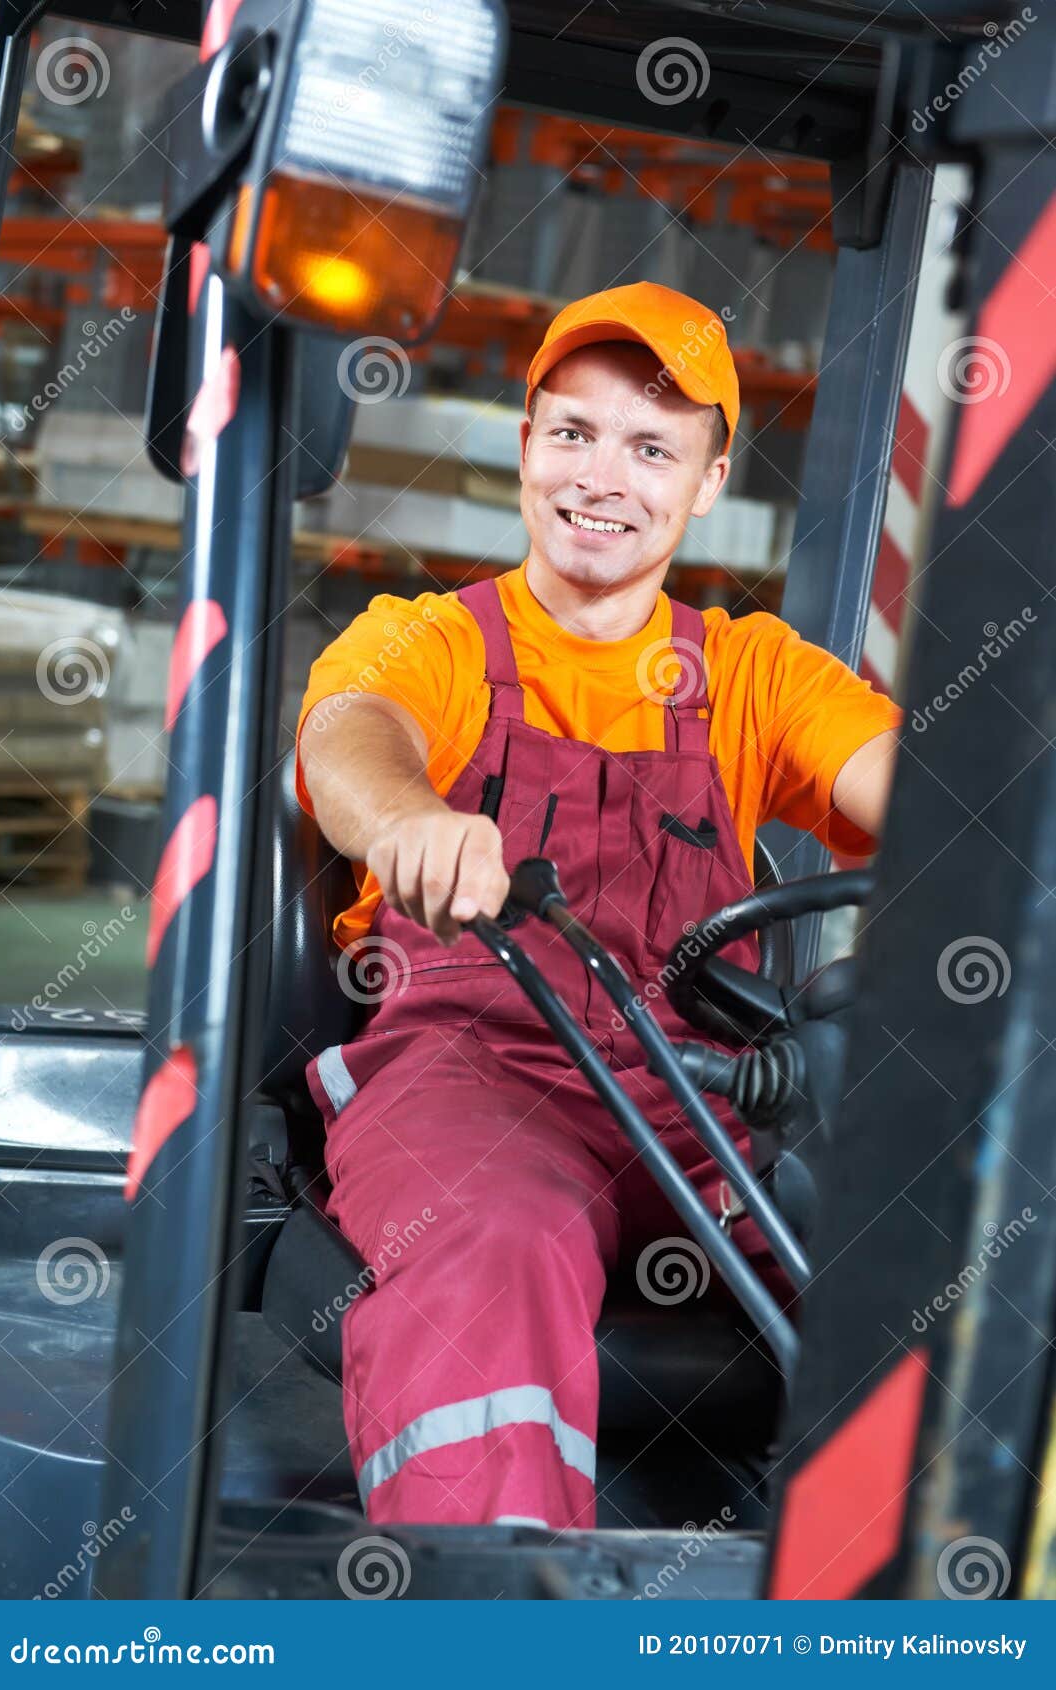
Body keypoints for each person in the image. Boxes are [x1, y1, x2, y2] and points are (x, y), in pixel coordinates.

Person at [296, 281, 902, 1531]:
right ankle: (480, 1628)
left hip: (702, 1101)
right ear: (525, 444)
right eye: (572, 433)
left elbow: (923, 791)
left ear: (709, 478)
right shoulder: (434, 642)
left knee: (934, 1238)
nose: (601, 477)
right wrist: (407, 817)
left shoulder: (751, 675)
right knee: (497, 1235)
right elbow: (348, 738)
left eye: (650, 447)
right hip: (472, 1077)